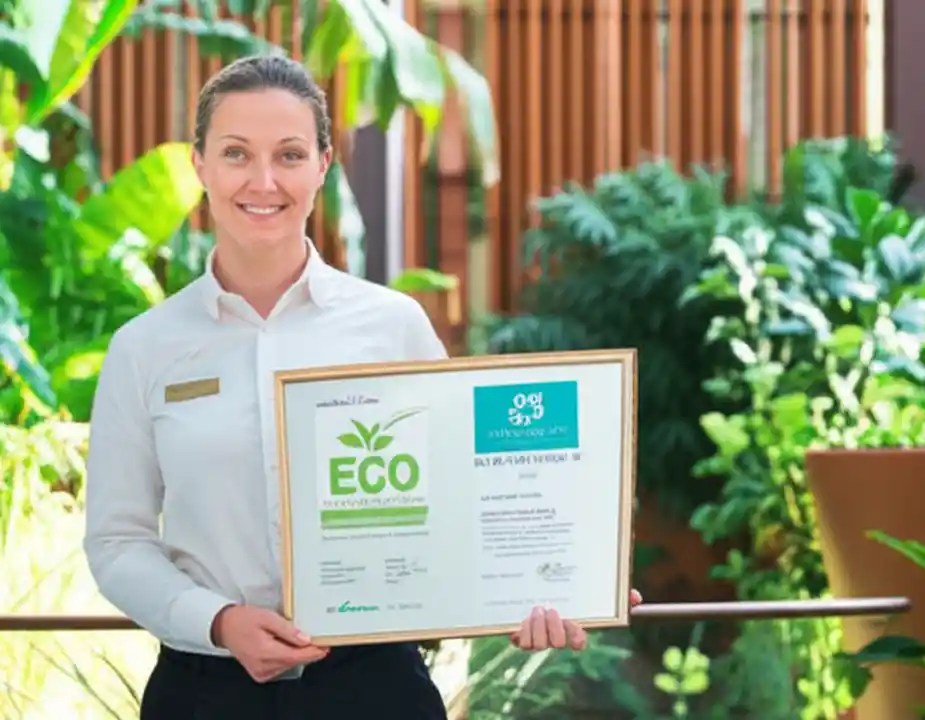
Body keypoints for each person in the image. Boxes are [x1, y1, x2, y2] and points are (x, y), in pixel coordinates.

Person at [81, 53, 641, 720]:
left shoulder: (392, 325)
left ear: (323, 165)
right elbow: (117, 542)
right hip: (205, 693)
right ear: (200, 164)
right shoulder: (144, 348)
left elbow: (467, 496)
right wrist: (219, 621)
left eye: (290, 155)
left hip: (376, 688)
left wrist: (549, 584)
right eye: (236, 154)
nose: (264, 180)